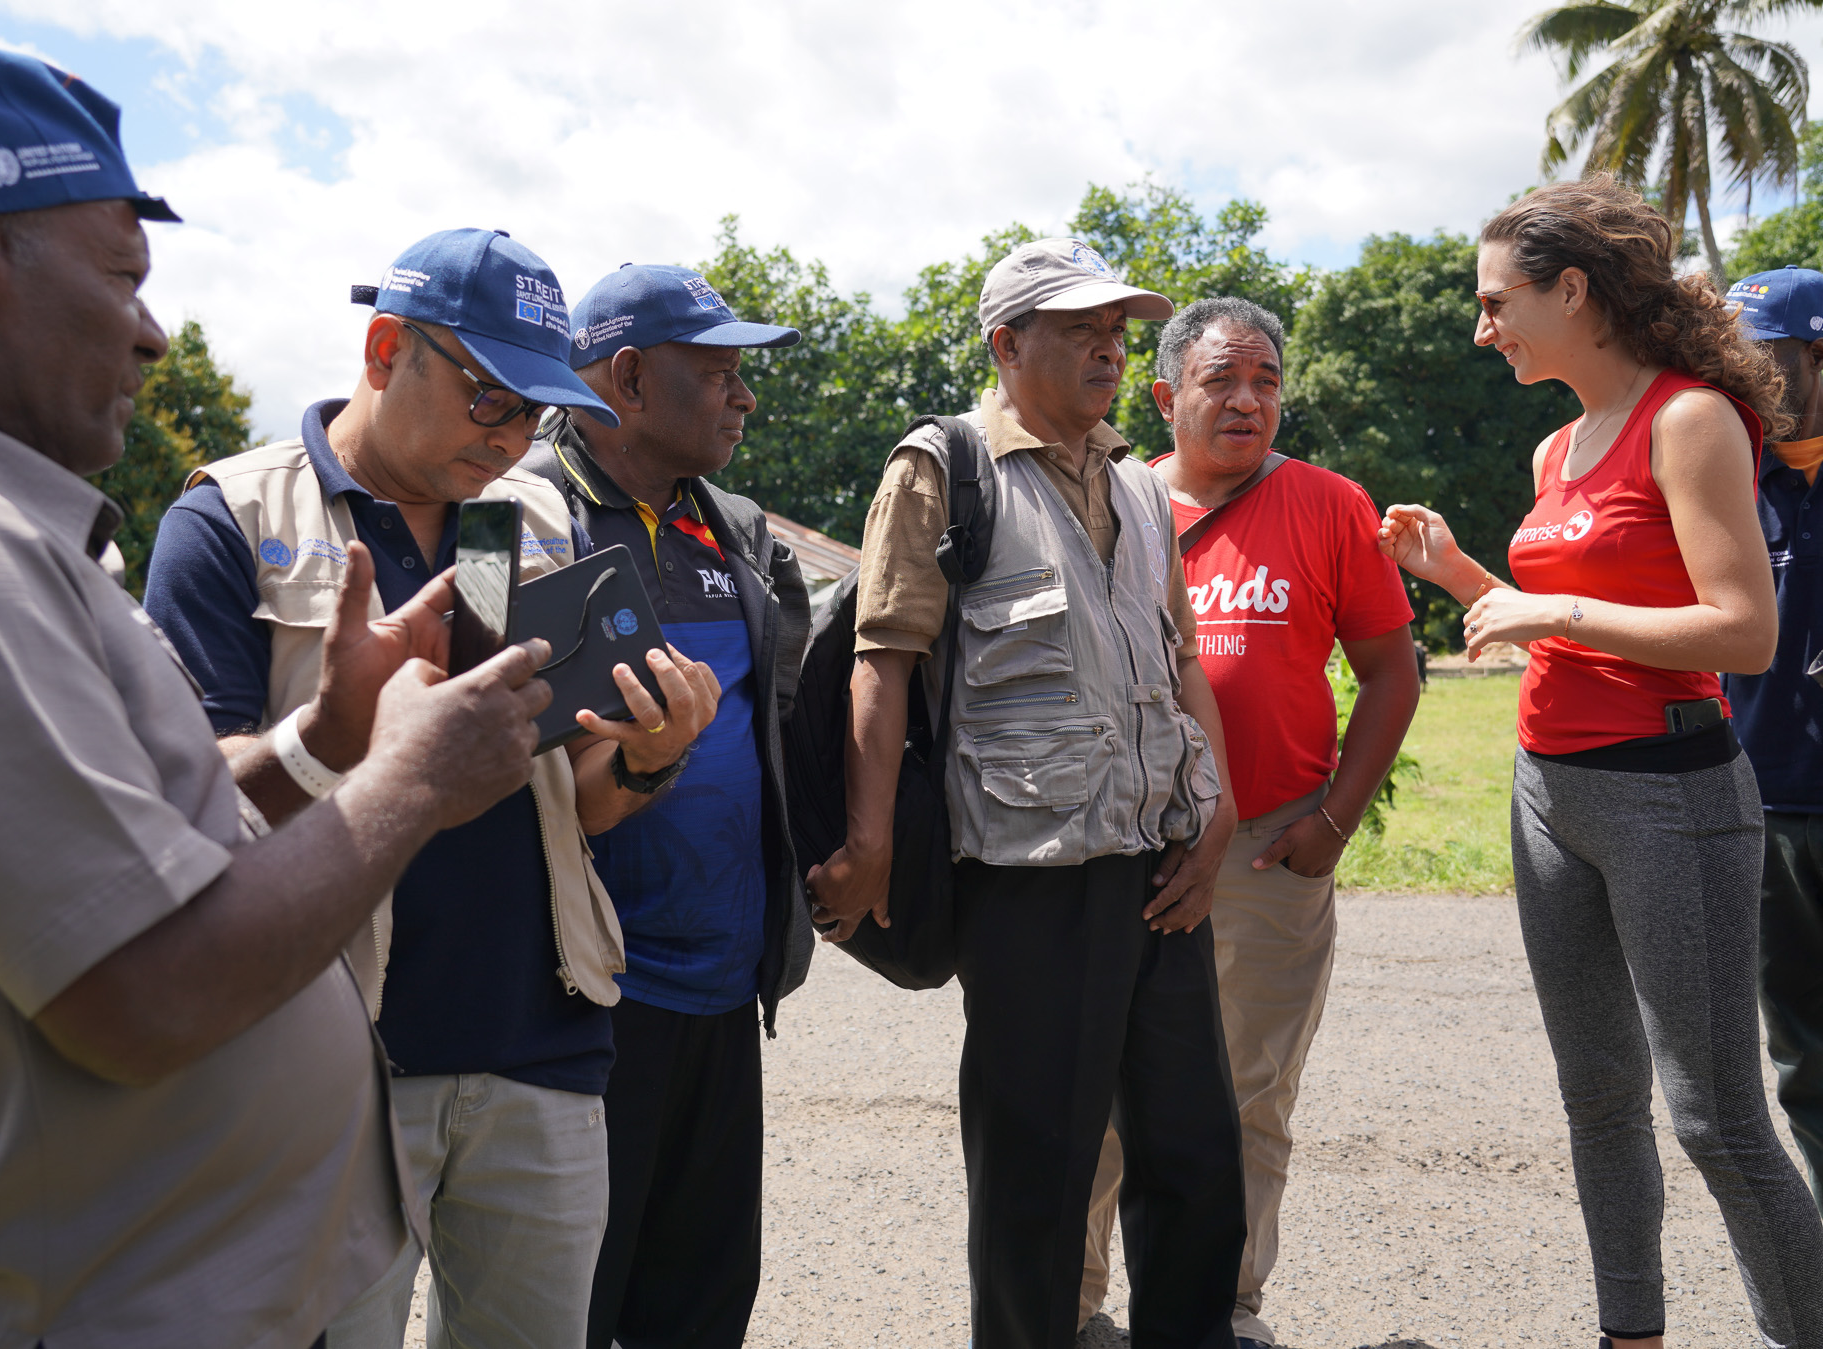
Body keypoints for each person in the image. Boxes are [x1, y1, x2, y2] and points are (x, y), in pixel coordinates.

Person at [0, 39, 559, 1347]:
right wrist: (412, 782)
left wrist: (319, 744)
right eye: (125, 277)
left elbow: (118, 854)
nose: (150, 331)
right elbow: (145, 987)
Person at [143, 232, 720, 1349]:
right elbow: (187, 811)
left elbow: (578, 797)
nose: (508, 437)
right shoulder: (232, 520)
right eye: (487, 397)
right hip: (331, 1058)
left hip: (540, 1042)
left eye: (533, 412)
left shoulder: (531, 520)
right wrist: (335, 736)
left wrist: (654, 752)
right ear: (381, 349)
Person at [1378, 176, 1823, 1348]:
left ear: (1571, 290)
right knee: (1596, 1104)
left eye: (1494, 302)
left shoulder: (1689, 418)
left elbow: (1742, 630)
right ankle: (1629, 1335)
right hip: (1547, 790)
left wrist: (1550, 608)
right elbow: (1555, 612)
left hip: (1667, 792)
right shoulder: (1551, 448)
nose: (1482, 329)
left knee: (1715, 1116)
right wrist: (1466, 579)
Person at [807, 238, 1245, 1349]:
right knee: (1035, 1183)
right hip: (1028, 881)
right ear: (1007, 343)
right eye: (1080, 326)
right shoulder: (942, 468)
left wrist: (1221, 807)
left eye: (1119, 328)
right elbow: (883, 661)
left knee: (1195, 1159)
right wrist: (866, 843)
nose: (1109, 345)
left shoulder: (1141, 486)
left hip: (1160, 866)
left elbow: (1182, 660)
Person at [1073, 297, 1421, 1349]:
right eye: (1222, 379)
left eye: (1266, 379)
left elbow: (1389, 673)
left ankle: (1221, 1307)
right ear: (1163, 393)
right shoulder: (1107, 500)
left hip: (1270, 843)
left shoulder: (1325, 504)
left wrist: (1331, 820)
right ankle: (1074, 1306)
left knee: (1248, 1088)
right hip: (1119, 845)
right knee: (1092, 1088)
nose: (1247, 399)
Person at [521, 263, 813, 1349]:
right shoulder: (515, 516)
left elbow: (782, 722)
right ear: (630, 379)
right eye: (720, 373)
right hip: (578, 996)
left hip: (720, 994)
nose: (745, 398)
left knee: (698, 1301)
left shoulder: (733, 530)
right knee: (567, 1304)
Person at [1724, 265, 1823, 1209]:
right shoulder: (1724, 475)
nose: (1741, 376)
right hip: (1762, 804)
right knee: (1801, 1054)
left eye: (1762, 356)